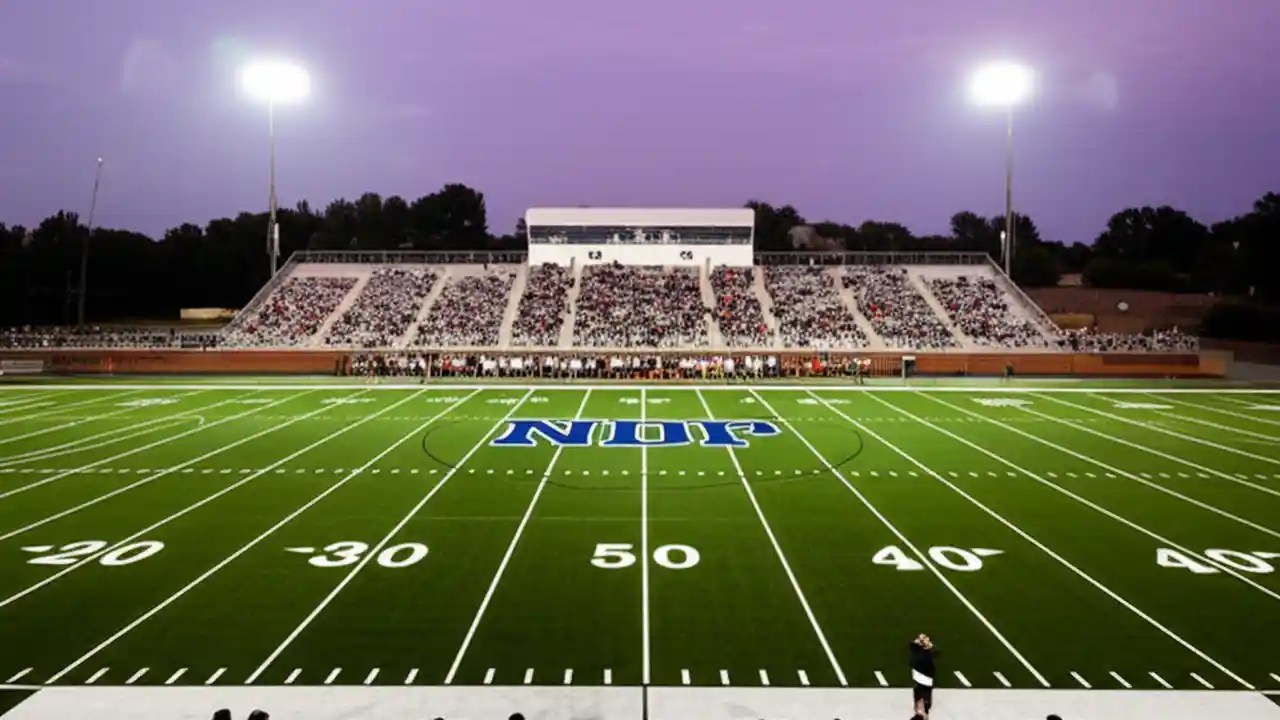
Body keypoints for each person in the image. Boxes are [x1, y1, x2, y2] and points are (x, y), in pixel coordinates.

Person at [909, 633, 936, 717]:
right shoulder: (918, 650)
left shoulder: (923, 651)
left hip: (925, 679)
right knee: (922, 701)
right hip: (922, 678)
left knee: (924, 703)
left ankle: (922, 712)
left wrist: (927, 645)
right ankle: (921, 711)